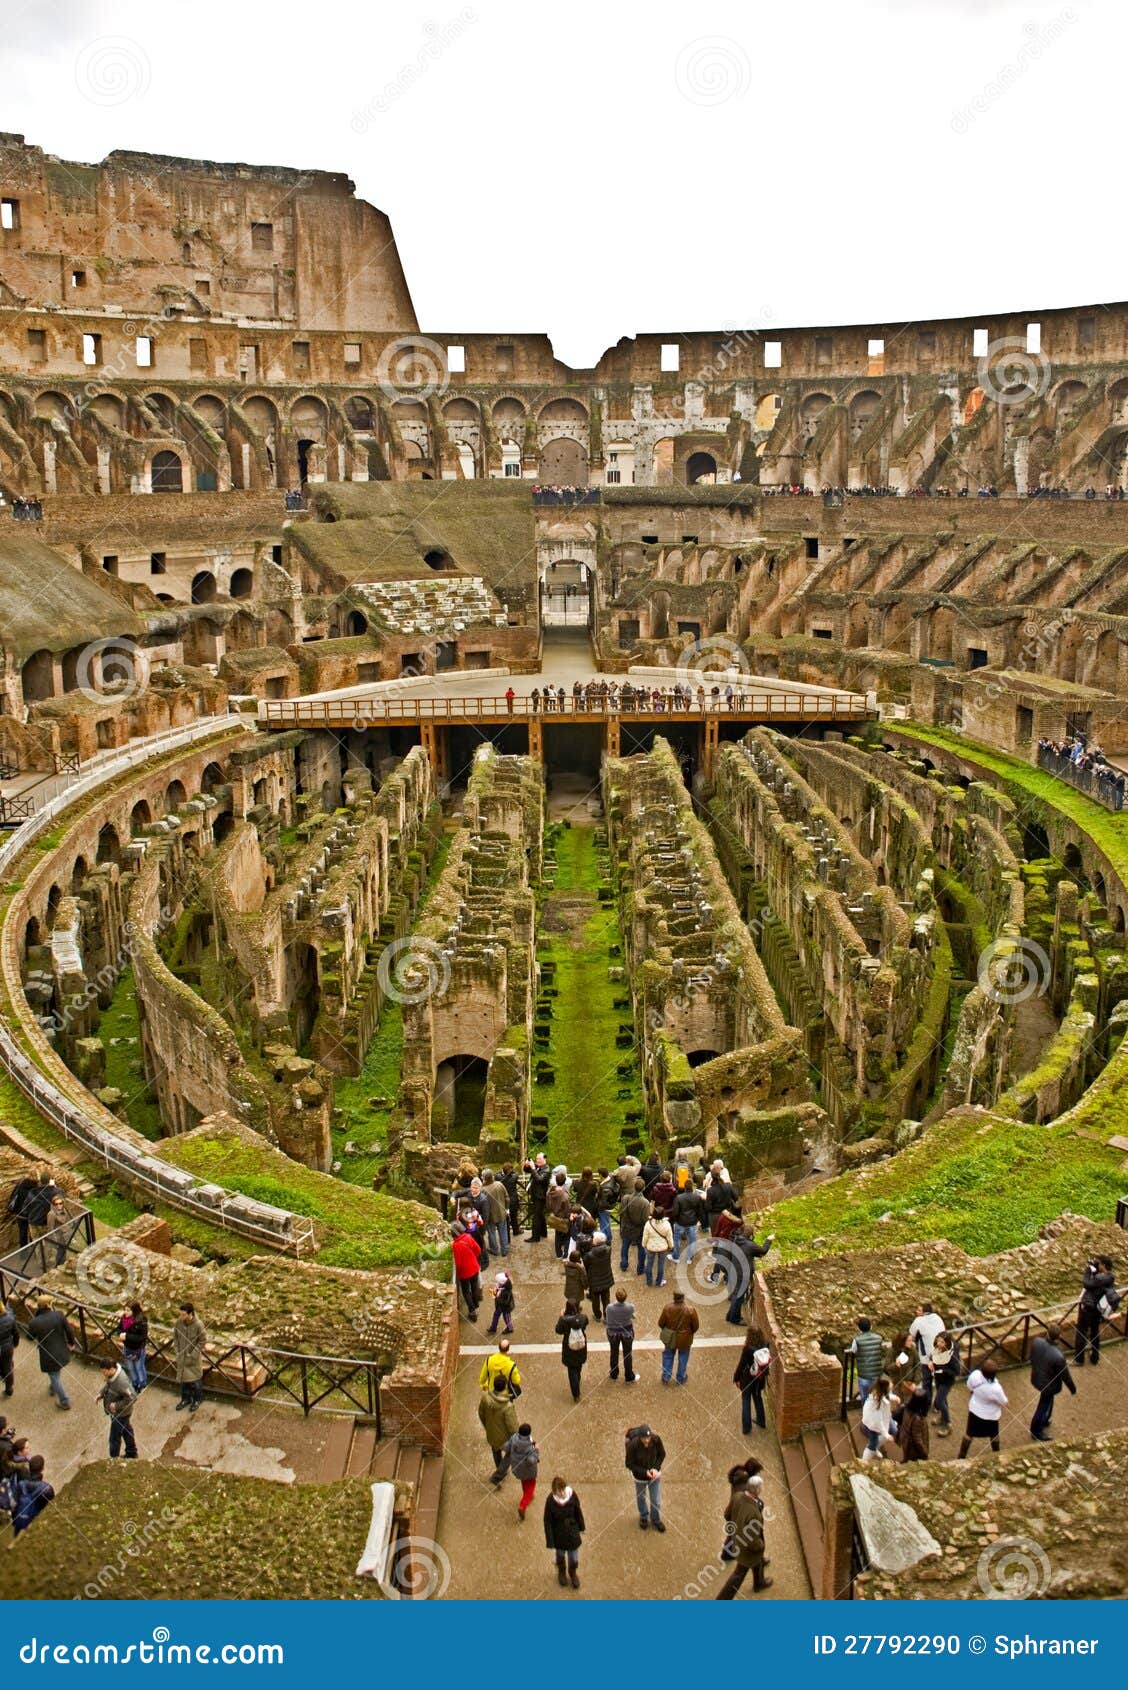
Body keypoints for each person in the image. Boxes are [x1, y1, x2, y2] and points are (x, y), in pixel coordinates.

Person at [715, 1472, 772, 1597]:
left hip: (737, 1540)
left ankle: (759, 1582)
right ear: (757, 1490)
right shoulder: (754, 1514)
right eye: (761, 1487)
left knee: (758, 1560)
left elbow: (727, 1514)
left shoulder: (737, 1496)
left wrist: (736, 1528)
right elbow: (752, 1541)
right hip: (747, 1550)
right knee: (738, 1575)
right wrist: (760, 1545)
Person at [1029, 1323, 1076, 1442]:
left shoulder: (1036, 1341)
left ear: (1047, 1333)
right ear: (1059, 1337)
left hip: (1037, 1378)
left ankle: (1045, 1419)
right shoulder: (1058, 1356)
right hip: (1049, 1385)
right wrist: (1072, 1388)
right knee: (1043, 1406)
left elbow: (1032, 1358)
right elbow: (1065, 1375)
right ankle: (1036, 1431)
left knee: (1047, 1402)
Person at [27, 1298, 76, 1410]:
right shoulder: (59, 1315)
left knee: (54, 1376)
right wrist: (71, 1343)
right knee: (55, 1374)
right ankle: (54, 1388)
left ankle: (65, 1401)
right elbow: (70, 1331)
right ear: (48, 1305)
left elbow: (29, 1337)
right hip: (61, 1351)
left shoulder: (34, 1322)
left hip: (48, 1354)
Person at [726, 1226, 774, 1325]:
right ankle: (735, 1319)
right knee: (739, 1297)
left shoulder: (736, 1239)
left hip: (734, 1270)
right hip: (743, 1274)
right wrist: (768, 1240)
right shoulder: (750, 1244)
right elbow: (763, 1250)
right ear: (751, 1235)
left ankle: (730, 1315)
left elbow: (748, 1252)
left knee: (736, 1295)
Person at [543, 1475, 585, 1589]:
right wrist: (550, 1540)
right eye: (558, 1491)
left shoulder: (572, 1496)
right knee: (560, 1554)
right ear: (554, 1491)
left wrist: (581, 1526)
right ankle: (562, 1572)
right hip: (559, 1534)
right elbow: (547, 1521)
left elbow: (578, 1512)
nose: (561, 1493)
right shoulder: (551, 1501)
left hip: (572, 1533)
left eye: (562, 1490)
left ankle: (573, 1573)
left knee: (574, 1556)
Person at [958, 1361, 1007, 1458]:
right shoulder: (996, 1388)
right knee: (994, 1434)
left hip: (975, 1410)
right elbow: (1004, 1401)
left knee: (969, 1434)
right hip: (991, 1415)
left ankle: (961, 1455)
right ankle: (996, 1453)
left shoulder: (974, 1375)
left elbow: (969, 1386)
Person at [1075, 1254, 1116, 1365]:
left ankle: (1079, 1359)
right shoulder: (1109, 1277)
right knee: (1095, 1332)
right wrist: (1094, 1269)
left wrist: (1088, 1270)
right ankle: (1095, 1357)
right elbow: (1097, 1283)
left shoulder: (1100, 1278)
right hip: (1098, 1309)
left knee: (1081, 1332)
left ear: (1103, 1265)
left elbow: (1087, 1283)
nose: (1096, 1264)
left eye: (1098, 1263)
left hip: (1089, 1308)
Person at [625, 1423, 666, 1532]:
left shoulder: (656, 1440)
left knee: (655, 1500)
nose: (646, 1441)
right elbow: (629, 1464)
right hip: (640, 1478)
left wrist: (656, 1469)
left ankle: (655, 1519)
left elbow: (662, 1455)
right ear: (639, 1437)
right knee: (641, 1497)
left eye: (648, 1438)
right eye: (644, 1438)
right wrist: (644, 1472)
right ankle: (643, 1516)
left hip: (654, 1476)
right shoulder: (632, 1446)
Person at [495, 1421, 540, 1520]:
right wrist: (536, 1450)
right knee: (531, 1485)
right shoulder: (530, 1446)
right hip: (528, 1471)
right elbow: (531, 1461)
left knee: (524, 1482)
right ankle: (523, 1505)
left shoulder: (514, 1438)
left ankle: (528, 1496)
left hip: (517, 1469)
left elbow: (507, 1447)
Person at [98, 1359, 138, 1459]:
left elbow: (133, 1397)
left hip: (121, 1414)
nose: (103, 1374)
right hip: (119, 1413)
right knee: (126, 1431)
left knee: (114, 1438)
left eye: (104, 1372)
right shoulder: (112, 1376)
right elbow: (108, 1385)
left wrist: (116, 1405)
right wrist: (101, 1394)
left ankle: (114, 1459)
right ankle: (132, 1452)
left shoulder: (121, 1382)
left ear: (111, 1369)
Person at [480, 1375, 519, 1478]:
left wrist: (487, 1427)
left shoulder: (485, 1398)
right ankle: (499, 1473)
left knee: (495, 1450)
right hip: (504, 1439)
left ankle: (499, 1468)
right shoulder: (508, 1406)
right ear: (505, 1386)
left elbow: (481, 1414)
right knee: (512, 1452)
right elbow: (513, 1427)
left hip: (491, 1434)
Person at [657, 1289, 699, 1385]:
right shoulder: (691, 1310)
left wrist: (668, 1330)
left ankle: (666, 1377)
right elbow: (695, 1326)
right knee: (683, 1357)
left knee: (668, 1356)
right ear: (683, 1297)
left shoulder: (667, 1308)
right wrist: (689, 1333)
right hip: (685, 1339)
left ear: (674, 1297)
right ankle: (681, 1377)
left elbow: (660, 1323)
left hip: (670, 1338)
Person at [8, 1453, 53, 1540]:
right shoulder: (47, 1489)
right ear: (42, 1468)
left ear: (29, 1468)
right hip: (37, 1525)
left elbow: (14, 1505)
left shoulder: (20, 1485)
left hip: (20, 1522)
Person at [907, 1303, 946, 1404]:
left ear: (924, 1312)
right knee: (940, 1383)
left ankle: (926, 1404)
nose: (916, 1312)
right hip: (941, 1356)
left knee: (926, 1382)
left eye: (919, 1310)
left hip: (926, 1359)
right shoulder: (938, 1318)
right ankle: (940, 1405)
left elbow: (911, 1334)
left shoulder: (919, 1320)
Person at [734, 1327, 770, 1433]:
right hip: (759, 1378)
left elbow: (741, 1365)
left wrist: (736, 1378)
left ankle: (746, 1427)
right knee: (758, 1397)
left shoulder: (747, 1349)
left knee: (746, 1401)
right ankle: (761, 1421)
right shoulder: (766, 1345)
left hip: (747, 1378)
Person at [173, 1302, 207, 1412]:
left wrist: (193, 1354)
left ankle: (197, 1399)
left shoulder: (198, 1325)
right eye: (181, 1314)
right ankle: (185, 1399)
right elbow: (176, 1337)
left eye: (183, 1314)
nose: (181, 1317)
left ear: (190, 1314)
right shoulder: (179, 1322)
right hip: (182, 1357)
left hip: (193, 1359)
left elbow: (202, 1341)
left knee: (195, 1381)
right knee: (184, 1381)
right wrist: (177, 1350)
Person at [555, 1301, 589, 1401]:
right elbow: (585, 1324)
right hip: (581, 1346)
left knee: (571, 1370)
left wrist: (561, 1316)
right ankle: (577, 1381)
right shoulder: (583, 1318)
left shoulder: (564, 1320)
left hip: (569, 1347)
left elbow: (558, 1330)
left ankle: (576, 1393)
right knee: (578, 1367)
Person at [927, 1331, 959, 1437]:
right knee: (943, 1400)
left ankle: (948, 1424)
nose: (939, 1344)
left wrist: (943, 1371)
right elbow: (933, 1358)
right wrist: (931, 1363)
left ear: (947, 1343)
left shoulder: (952, 1355)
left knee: (939, 1402)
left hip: (947, 1380)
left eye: (942, 1342)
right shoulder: (937, 1349)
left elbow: (956, 1371)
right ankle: (943, 1419)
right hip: (938, 1378)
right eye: (938, 1341)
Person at [848, 1317, 886, 1404]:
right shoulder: (879, 1338)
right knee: (877, 1396)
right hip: (877, 1373)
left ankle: (866, 1415)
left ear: (859, 1328)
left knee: (865, 1398)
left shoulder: (857, 1340)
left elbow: (853, 1351)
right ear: (871, 1326)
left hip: (864, 1375)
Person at [861, 1376, 900, 1460]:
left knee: (894, 1431)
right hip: (873, 1424)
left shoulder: (881, 1391)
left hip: (885, 1418)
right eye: (890, 1386)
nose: (892, 1385)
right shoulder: (875, 1403)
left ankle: (875, 1448)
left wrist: (895, 1397)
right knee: (873, 1442)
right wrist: (886, 1435)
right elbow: (878, 1422)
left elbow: (888, 1395)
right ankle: (864, 1461)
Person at [606, 1286, 638, 1383]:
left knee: (614, 1353)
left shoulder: (609, 1307)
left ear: (616, 1297)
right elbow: (632, 1316)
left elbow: (608, 1319)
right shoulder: (630, 1307)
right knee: (627, 1355)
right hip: (627, 1333)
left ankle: (614, 1374)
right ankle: (629, 1376)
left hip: (613, 1333)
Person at [619, 1178, 649, 1275]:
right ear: (643, 1188)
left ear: (634, 1187)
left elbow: (621, 1213)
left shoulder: (625, 1198)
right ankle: (640, 1269)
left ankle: (624, 1265)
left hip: (626, 1227)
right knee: (641, 1249)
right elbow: (645, 1219)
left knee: (625, 1246)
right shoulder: (645, 1202)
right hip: (639, 1230)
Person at [452, 1224, 482, 1320]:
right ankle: (476, 1304)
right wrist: (472, 1258)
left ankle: (472, 1311)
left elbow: (459, 1263)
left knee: (466, 1291)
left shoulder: (456, 1245)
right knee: (474, 1287)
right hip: (474, 1267)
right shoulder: (468, 1237)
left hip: (465, 1272)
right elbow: (478, 1249)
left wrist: (458, 1272)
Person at [670, 1180, 705, 1262]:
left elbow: (675, 1212)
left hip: (680, 1222)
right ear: (692, 1187)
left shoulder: (679, 1197)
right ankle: (688, 1258)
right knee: (692, 1241)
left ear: (684, 1187)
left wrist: (676, 1220)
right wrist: (697, 1220)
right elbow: (700, 1211)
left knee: (677, 1239)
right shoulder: (697, 1197)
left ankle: (676, 1257)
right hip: (692, 1222)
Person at [119, 1301, 148, 1393]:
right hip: (127, 1347)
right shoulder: (124, 1319)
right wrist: (120, 1334)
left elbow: (142, 1337)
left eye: (128, 1310)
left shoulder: (141, 1321)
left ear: (134, 1311)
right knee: (131, 1367)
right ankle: (135, 1383)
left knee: (139, 1367)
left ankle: (142, 1383)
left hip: (138, 1349)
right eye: (125, 1310)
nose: (125, 1312)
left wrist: (126, 1336)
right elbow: (119, 1328)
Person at [481, 1169, 511, 1258]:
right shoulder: (499, 1184)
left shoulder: (483, 1190)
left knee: (491, 1233)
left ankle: (494, 1250)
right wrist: (507, 1209)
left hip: (490, 1216)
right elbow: (507, 1198)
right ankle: (505, 1250)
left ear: (484, 1178)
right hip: (502, 1213)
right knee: (503, 1232)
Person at [585, 1231, 614, 1322]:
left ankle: (597, 1316)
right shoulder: (608, 1249)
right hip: (606, 1278)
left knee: (595, 1300)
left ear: (595, 1242)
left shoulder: (590, 1255)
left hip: (594, 1281)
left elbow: (586, 1265)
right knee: (606, 1299)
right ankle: (607, 1317)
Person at [6, 1172, 39, 1249]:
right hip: (31, 1214)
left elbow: (12, 1197)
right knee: (33, 1233)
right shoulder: (35, 1189)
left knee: (22, 1233)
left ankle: (23, 1254)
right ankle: (35, 1251)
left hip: (19, 1214)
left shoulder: (19, 1185)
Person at [896, 1386, 930, 1462]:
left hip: (905, 1439)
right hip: (912, 1446)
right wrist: (924, 1453)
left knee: (906, 1457)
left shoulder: (906, 1407)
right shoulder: (918, 1419)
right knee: (911, 1461)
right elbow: (917, 1439)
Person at [642, 1206, 674, 1288]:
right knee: (661, 1264)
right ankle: (659, 1281)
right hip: (663, 1247)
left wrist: (644, 1244)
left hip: (650, 1247)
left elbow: (645, 1236)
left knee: (649, 1264)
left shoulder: (648, 1224)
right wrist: (671, 1246)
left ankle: (649, 1282)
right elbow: (669, 1237)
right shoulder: (667, 1224)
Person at [524, 1153, 551, 1242]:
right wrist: (527, 1164)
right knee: (540, 1215)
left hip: (540, 1196)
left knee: (536, 1217)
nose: (537, 1161)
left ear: (544, 1159)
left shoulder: (547, 1170)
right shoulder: (538, 1166)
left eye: (539, 1159)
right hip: (535, 1195)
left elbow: (539, 1179)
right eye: (536, 1159)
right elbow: (526, 1170)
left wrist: (533, 1168)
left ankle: (535, 1237)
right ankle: (543, 1233)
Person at [546, 1173, 572, 1259]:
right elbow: (568, 1209)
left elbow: (548, 1206)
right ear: (564, 1181)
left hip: (554, 1217)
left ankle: (558, 1254)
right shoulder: (565, 1195)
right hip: (563, 1218)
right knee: (567, 1235)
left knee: (557, 1235)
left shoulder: (549, 1192)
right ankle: (565, 1255)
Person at [487, 1270, 515, 1335]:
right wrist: (494, 1292)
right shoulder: (500, 1286)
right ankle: (493, 1328)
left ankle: (510, 1328)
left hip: (506, 1308)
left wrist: (497, 1296)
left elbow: (505, 1302)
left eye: (498, 1283)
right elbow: (496, 1291)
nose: (497, 1284)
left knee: (507, 1318)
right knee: (495, 1315)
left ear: (503, 1283)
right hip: (499, 1306)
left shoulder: (507, 1292)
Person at [0, 1297, 18, 1398]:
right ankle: (9, 1389)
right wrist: (14, 1344)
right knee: (8, 1367)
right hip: (7, 1347)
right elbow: (16, 1333)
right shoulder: (10, 1318)